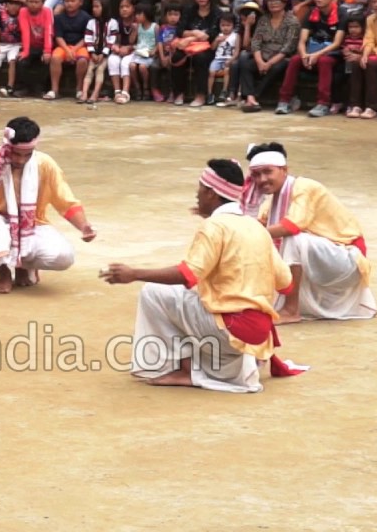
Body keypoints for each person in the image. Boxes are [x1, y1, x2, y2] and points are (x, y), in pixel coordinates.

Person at [103, 159, 303, 393]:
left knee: (153, 292)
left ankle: (183, 369)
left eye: (200, 188)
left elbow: (187, 274)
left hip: (231, 330)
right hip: (257, 332)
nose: (196, 194)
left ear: (211, 193)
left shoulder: (215, 227)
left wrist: (134, 274)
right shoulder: (255, 227)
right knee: (190, 294)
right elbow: (286, 284)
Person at [0, 117, 96, 294]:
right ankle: (3, 272)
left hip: (33, 224)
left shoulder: (45, 164)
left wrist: (84, 227)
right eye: (16, 154)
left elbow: (66, 201)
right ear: (7, 146)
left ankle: (22, 266)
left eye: (27, 154)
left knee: (64, 256)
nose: (21, 160)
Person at [243, 142, 377, 324]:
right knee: (256, 242)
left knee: (293, 239)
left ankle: (291, 310)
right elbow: (254, 227)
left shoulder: (304, 187)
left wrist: (249, 233)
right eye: (257, 175)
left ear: (284, 170)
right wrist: (249, 206)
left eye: (268, 172)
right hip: (327, 260)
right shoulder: (272, 201)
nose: (262, 179)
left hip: (349, 259)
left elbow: (291, 226)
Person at [276, 0, 344, 117]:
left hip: (331, 54)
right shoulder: (311, 12)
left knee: (324, 61)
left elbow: (336, 43)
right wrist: (304, 55)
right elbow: (302, 40)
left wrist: (316, 55)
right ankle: (284, 101)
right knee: (295, 60)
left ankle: (323, 103)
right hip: (311, 51)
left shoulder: (341, 13)